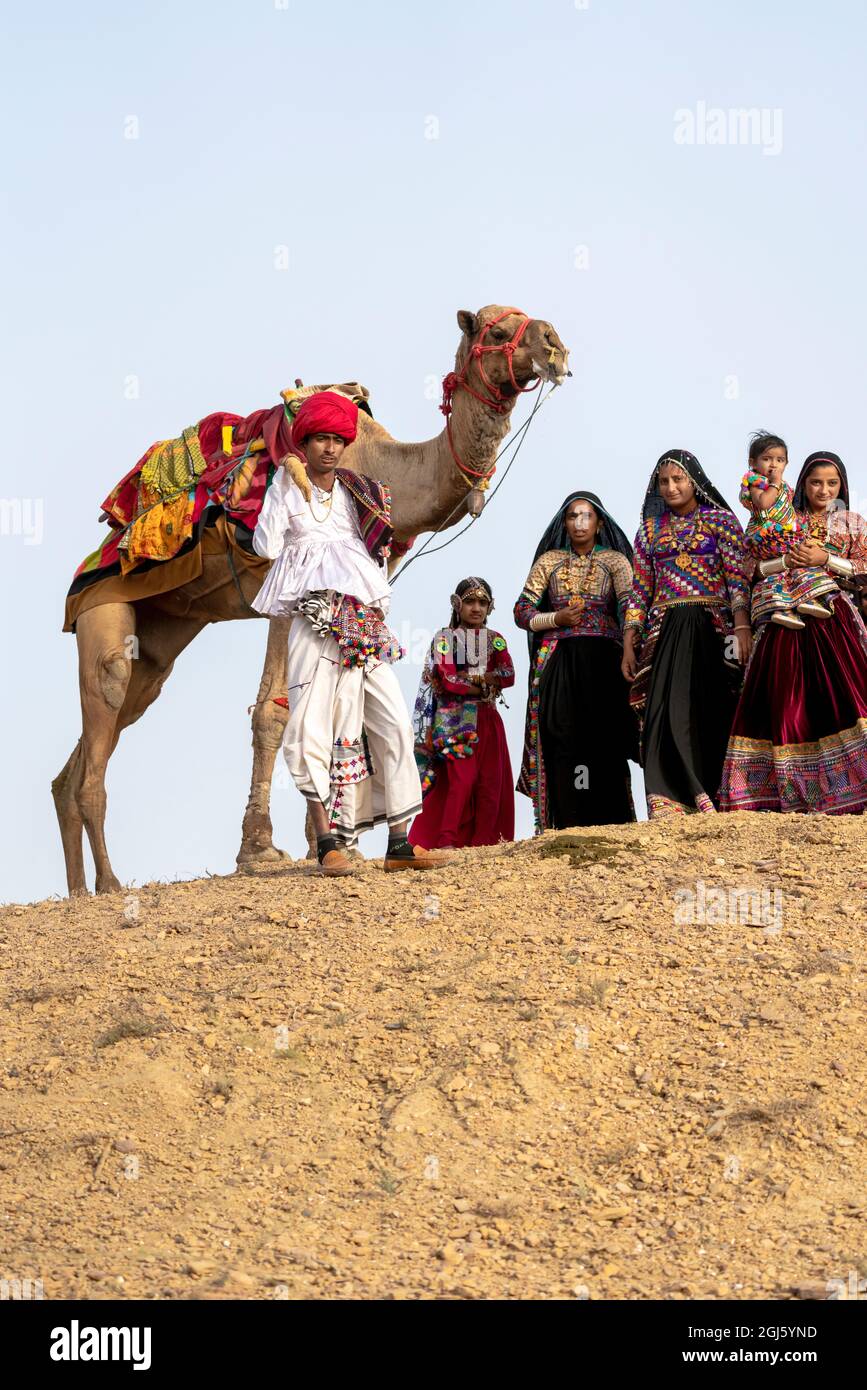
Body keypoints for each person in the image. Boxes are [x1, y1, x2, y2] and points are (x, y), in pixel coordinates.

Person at [251, 390, 443, 874]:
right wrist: (287, 488)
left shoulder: (358, 491)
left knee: (394, 722)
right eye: (321, 439)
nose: (331, 449)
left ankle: (399, 844)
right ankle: (326, 843)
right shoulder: (286, 485)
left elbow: (380, 548)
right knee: (311, 728)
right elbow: (266, 544)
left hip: (363, 624)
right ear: (305, 443)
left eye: (338, 440)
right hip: (315, 620)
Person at [720, 450, 867, 814]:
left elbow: (864, 569)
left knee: (847, 697)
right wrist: (786, 561)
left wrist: (826, 560)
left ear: (842, 486)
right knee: (788, 702)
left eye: (832, 483)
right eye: (816, 482)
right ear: (802, 484)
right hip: (783, 618)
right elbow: (750, 567)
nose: (823, 490)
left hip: (833, 616)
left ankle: (855, 785)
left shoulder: (851, 523)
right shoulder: (783, 515)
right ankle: (784, 793)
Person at [622, 449, 751, 818]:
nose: (671, 486)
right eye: (664, 481)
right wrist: (630, 640)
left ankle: (714, 793)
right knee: (663, 710)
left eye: (678, 479)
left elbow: (737, 579)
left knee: (713, 708)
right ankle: (668, 798)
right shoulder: (649, 530)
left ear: (694, 481)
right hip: (665, 630)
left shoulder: (721, 521)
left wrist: (741, 627)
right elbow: (640, 588)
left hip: (714, 626)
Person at [514, 491, 637, 830]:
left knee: (605, 737)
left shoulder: (615, 561)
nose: (579, 523)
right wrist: (557, 619)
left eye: (586, 516)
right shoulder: (549, 561)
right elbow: (521, 611)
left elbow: (631, 608)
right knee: (559, 735)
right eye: (572, 516)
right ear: (564, 523)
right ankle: (563, 823)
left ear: (599, 523)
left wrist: (629, 650)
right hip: (558, 660)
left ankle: (614, 823)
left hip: (605, 661)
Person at [409, 577, 515, 850]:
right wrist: (484, 682)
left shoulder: (497, 641)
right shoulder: (444, 639)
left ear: (490, 608)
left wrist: (473, 679)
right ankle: (446, 842)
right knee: (461, 781)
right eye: (469, 601)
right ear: (457, 604)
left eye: (483, 602)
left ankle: (485, 846)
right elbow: (447, 679)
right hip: (454, 722)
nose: (476, 608)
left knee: (490, 786)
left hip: (489, 721)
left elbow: (509, 674)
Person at [739, 431, 839, 629]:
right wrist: (775, 483)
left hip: (786, 535)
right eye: (767, 459)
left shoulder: (785, 488)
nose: (774, 465)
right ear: (753, 462)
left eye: (779, 460)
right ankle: (782, 609)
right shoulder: (756, 482)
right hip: (768, 537)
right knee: (783, 570)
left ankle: (806, 601)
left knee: (799, 567)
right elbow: (764, 503)